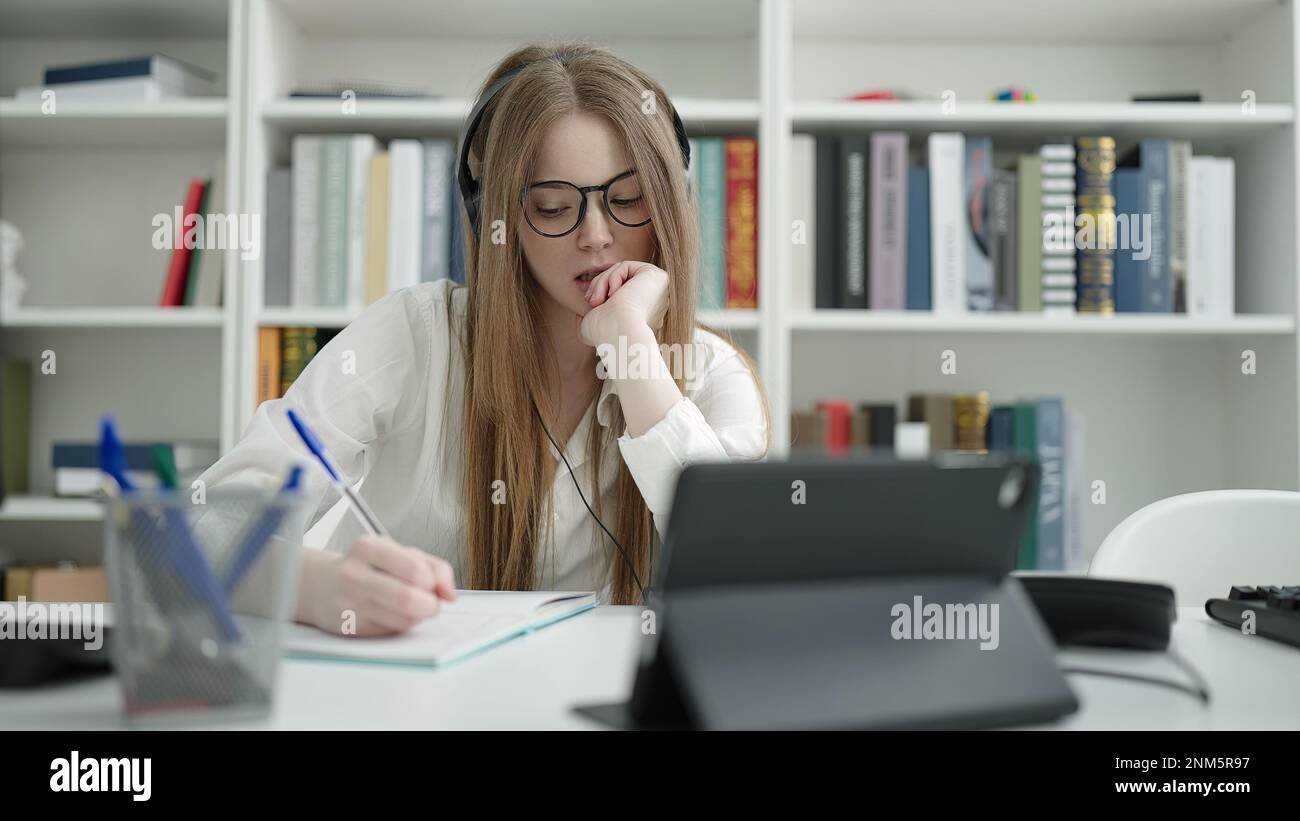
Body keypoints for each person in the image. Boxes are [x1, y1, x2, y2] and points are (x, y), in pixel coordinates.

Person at [197, 42, 769, 637]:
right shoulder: (414, 334)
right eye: (552, 208)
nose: (597, 237)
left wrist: (633, 350)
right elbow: (207, 527)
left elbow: (745, 575)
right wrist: (314, 586)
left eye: (628, 201)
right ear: (494, 214)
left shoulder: (708, 372)